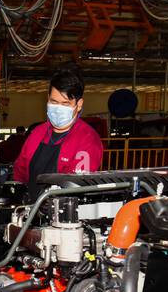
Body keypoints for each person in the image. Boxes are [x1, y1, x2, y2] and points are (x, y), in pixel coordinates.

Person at [12, 65, 104, 195]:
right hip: (30, 208)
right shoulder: (37, 133)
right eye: (54, 101)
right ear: (48, 98)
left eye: (65, 103)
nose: (58, 108)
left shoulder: (87, 139)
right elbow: (19, 173)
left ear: (79, 105)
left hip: (63, 211)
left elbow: (77, 186)